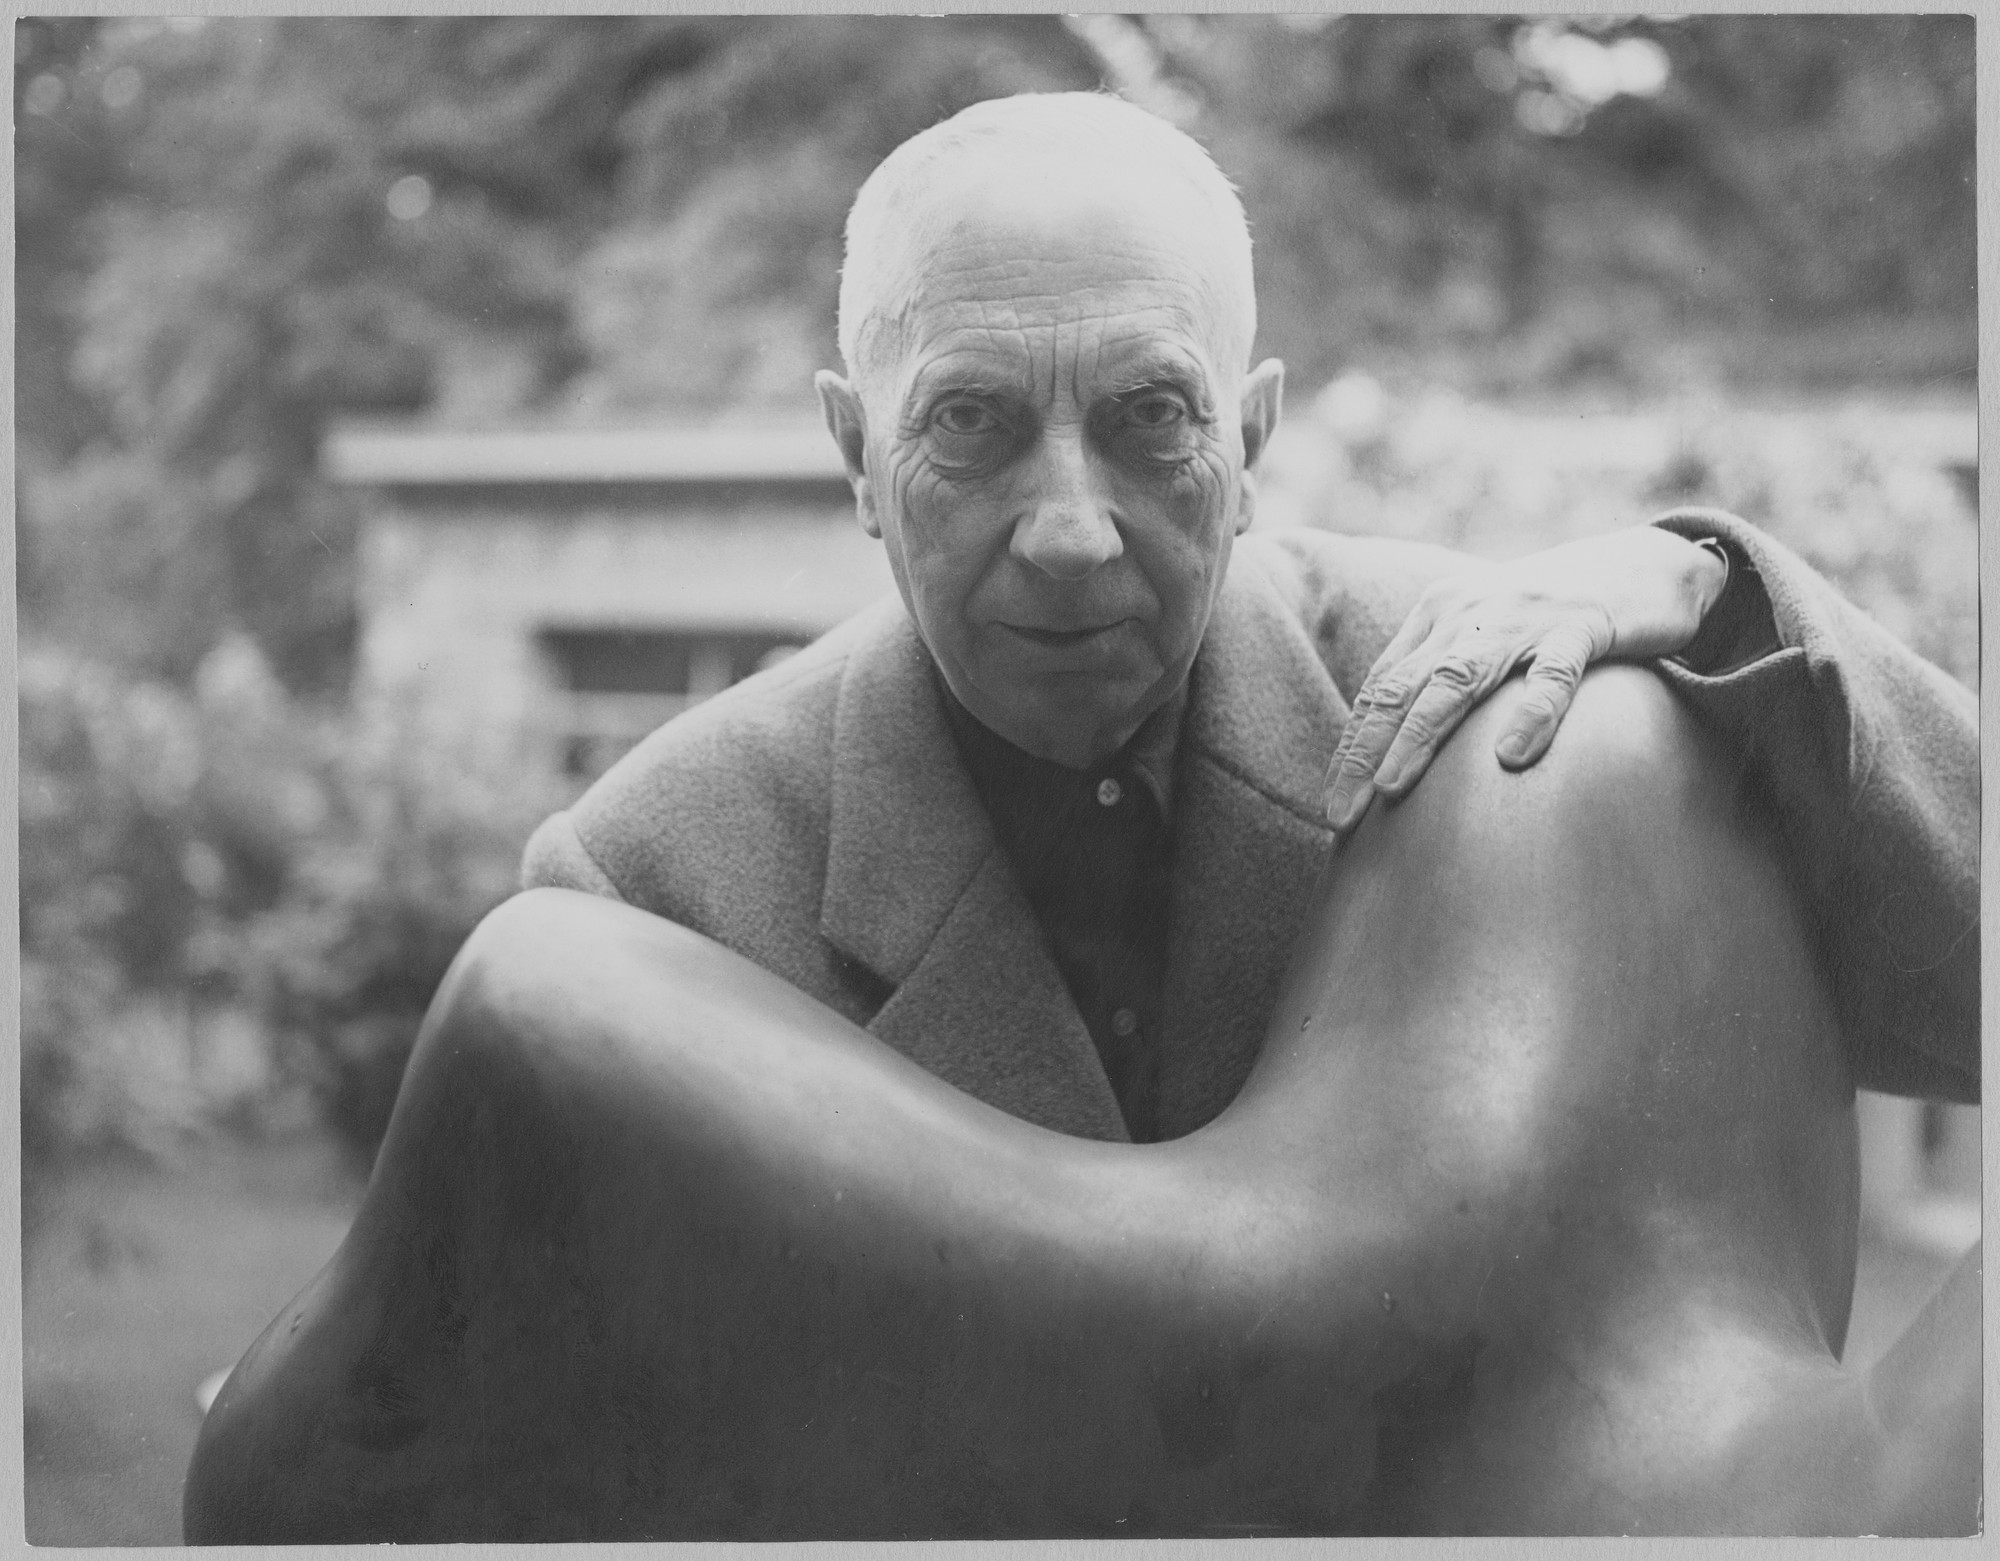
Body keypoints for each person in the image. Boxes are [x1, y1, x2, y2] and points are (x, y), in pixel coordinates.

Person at [182, 92, 1978, 1539]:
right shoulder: (648, 891)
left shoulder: (1496, 683)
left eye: (1148, 420)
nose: (1068, 529)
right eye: (972, 425)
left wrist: (1734, 611)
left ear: (1252, 435)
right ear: (852, 454)